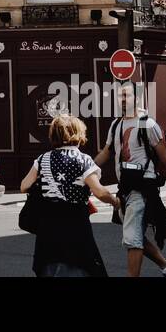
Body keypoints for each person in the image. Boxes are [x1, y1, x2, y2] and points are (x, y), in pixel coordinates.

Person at [94, 84, 166, 277]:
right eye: (119, 96)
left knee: (132, 239)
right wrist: (86, 169)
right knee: (135, 235)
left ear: (137, 98)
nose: (122, 99)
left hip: (142, 188)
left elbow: (165, 158)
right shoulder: (116, 125)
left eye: (126, 95)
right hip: (124, 189)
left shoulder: (147, 124)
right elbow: (106, 152)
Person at [19, 113, 118, 277]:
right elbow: (99, 192)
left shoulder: (42, 159)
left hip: (48, 228)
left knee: (50, 268)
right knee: (82, 267)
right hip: (76, 225)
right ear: (78, 135)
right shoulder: (82, 160)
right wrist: (115, 202)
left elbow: (24, 186)